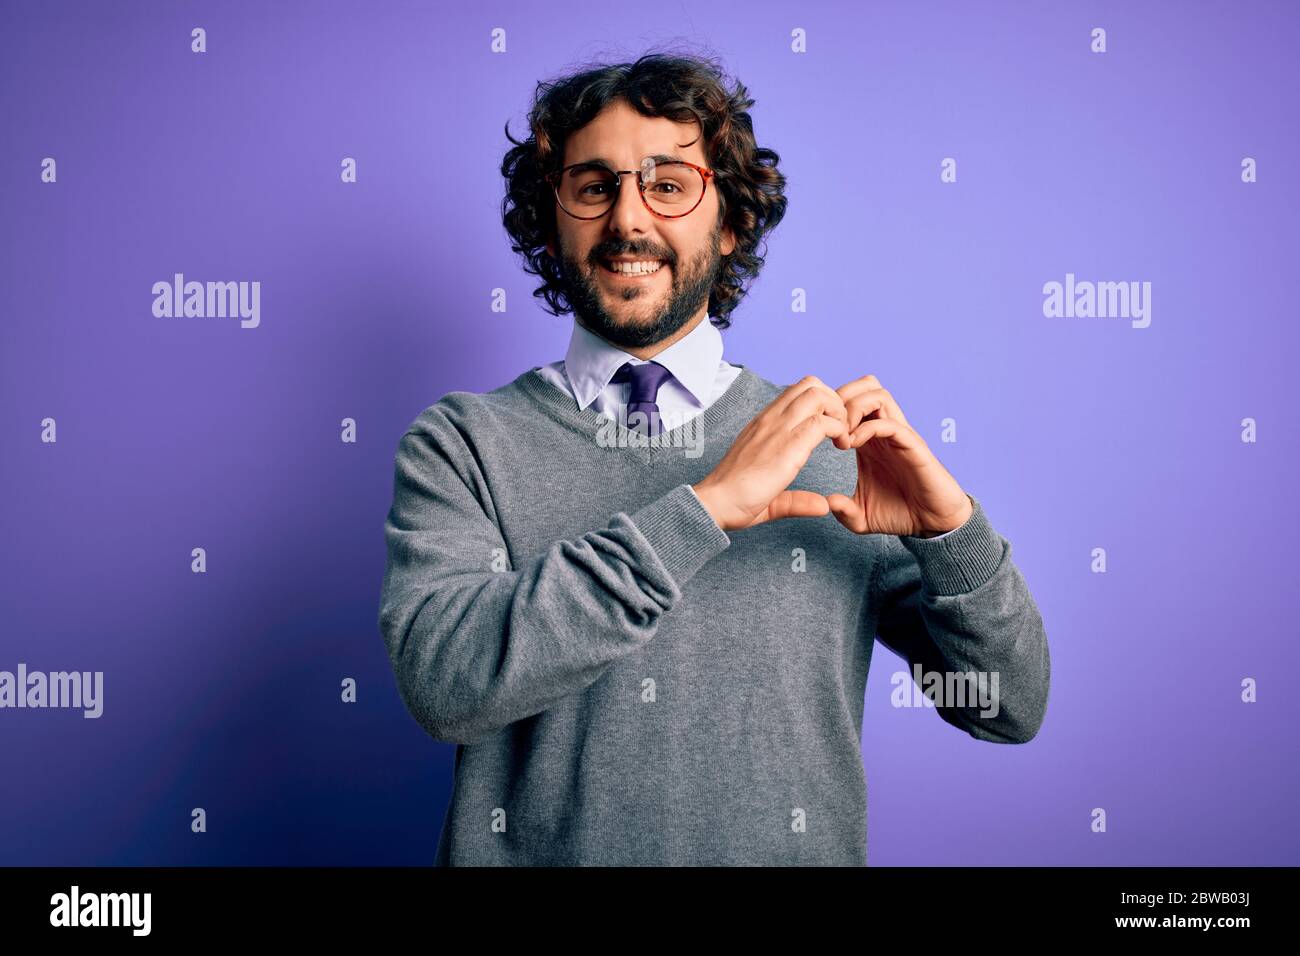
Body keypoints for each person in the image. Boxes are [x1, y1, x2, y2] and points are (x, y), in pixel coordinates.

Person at [378, 51, 1050, 866]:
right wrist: (703, 509)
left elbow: (1008, 706)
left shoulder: (834, 452)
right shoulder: (463, 444)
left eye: (667, 185)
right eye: (594, 187)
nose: (628, 221)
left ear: (729, 223)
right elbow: (445, 687)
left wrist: (953, 535)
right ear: (553, 223)